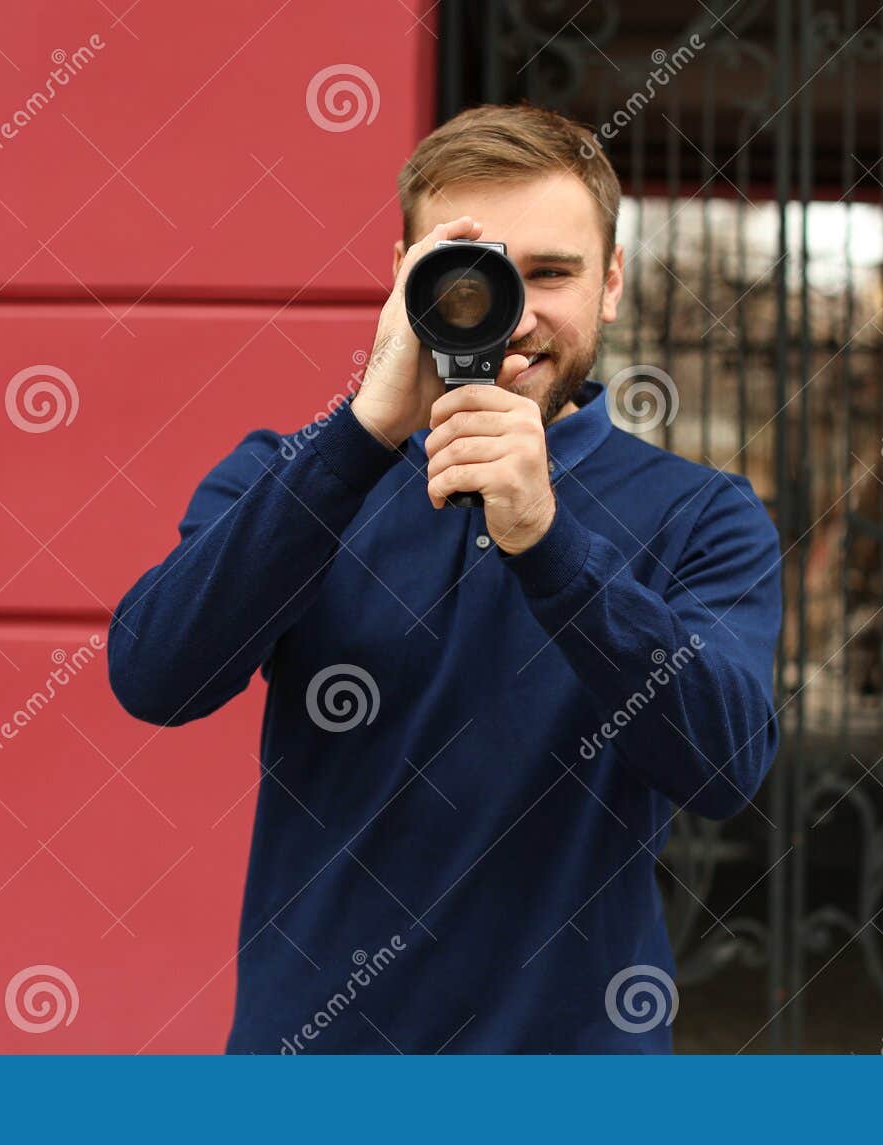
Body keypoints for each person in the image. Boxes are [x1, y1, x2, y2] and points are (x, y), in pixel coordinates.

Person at [107, 103, 783, 1053]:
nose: (513, 311)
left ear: (613, 283)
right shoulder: (289, 473)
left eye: (551, 273)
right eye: (469, 274)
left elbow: (724, 768)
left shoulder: (703, 514)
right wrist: (357, 440)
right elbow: (153, 676)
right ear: (401, 282)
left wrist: (550, 547)